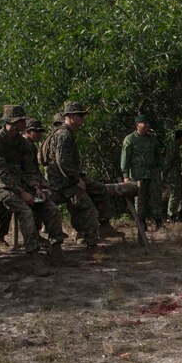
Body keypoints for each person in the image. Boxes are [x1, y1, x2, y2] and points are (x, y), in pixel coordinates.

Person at [0, 105, 54, 276]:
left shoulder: (23, 143)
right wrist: (22, 193)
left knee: (50, 206)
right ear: (12, 122)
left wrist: (36, 187)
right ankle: (34, 255)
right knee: (25, 211)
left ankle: (57, 249)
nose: (24, 123)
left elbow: (30, 169)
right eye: (21, 120)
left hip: (22, 185)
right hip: (0, 187)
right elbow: (0, 174)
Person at [44, 101, 120, 259]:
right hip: (63, 183)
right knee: (86, 207)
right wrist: (76, 180)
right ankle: (92, 247)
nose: (83, 118)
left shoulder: (66, 133)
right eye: (80, 115)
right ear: (70, 116)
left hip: (67, 179)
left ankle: (101, 226)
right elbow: (63, 163)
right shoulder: (63, 135)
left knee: (100, 189)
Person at [21, 119, 77, 266]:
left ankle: (56, 251)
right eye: (36, 131)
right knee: (29, 211)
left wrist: (41, 185)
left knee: (51, 208)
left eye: (41, 131)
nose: (39, 134)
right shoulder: (21, 145)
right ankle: (34, 250)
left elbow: (34, 170)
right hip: (19, 189)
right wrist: (32, 187)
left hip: (32, 187)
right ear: (27, 131)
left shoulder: (31, 146)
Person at [120, 114, 163, 230]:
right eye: (144, 123)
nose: (147, 125)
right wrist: (125, 175)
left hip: (152, 174)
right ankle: (141, 223)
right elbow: (125, 158)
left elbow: (158, 155)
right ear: (137, 125)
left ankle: (158, 221)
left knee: (155, 198)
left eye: (147, 123)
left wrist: (159, 170)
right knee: (140, 200)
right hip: (137, 175)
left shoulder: (152, 139)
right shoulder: (130, 139)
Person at [163, 129, 182, 222]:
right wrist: (164, 173)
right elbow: (168, 161)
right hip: (172, 175)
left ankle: (180, 213)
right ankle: (170, 215)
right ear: (181, 138)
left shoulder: (176, 147)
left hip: (177, 175)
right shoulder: (173, 147)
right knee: (174, 195)